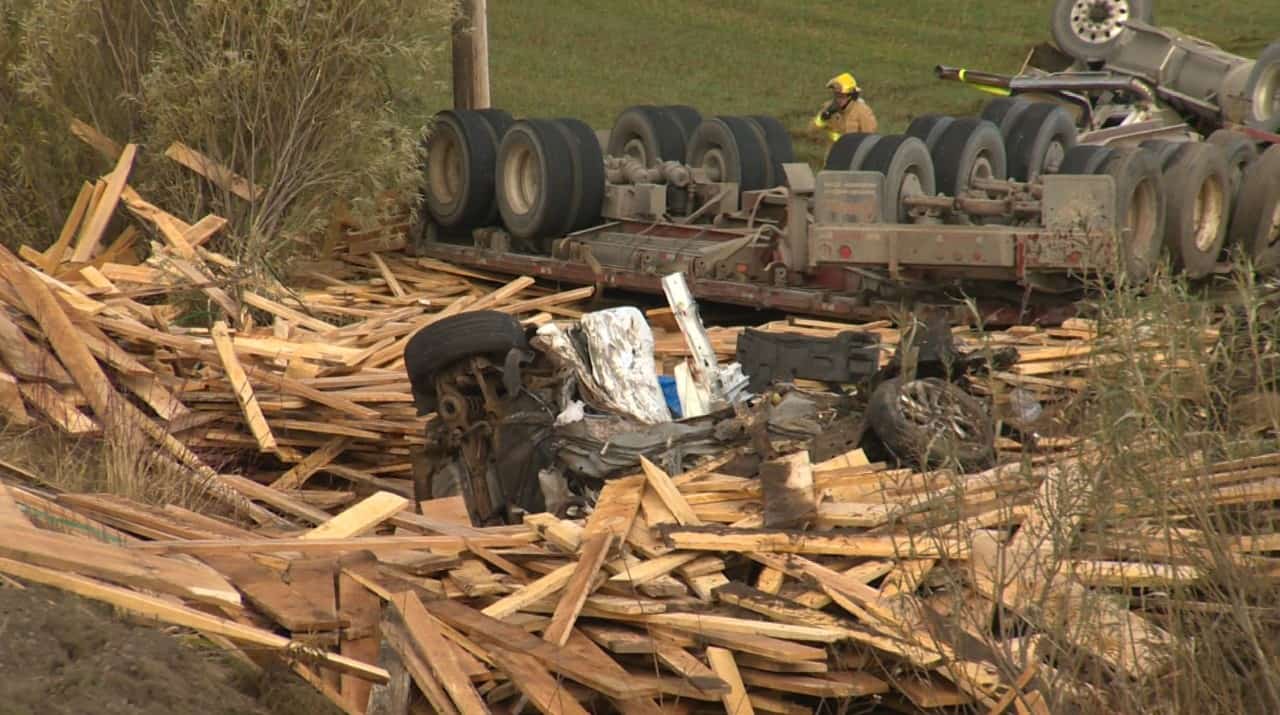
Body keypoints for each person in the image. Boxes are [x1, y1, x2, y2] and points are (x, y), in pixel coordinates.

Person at [812, 72, 878, 142]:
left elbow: (869, 140)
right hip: (833, 151)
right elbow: (811, 132)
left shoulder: (863, 112)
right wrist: (822, 118)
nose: (837, 99)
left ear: (851, 96)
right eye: (836, 95)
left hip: (853, 152)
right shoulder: (828, 107)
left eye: (841, 96)